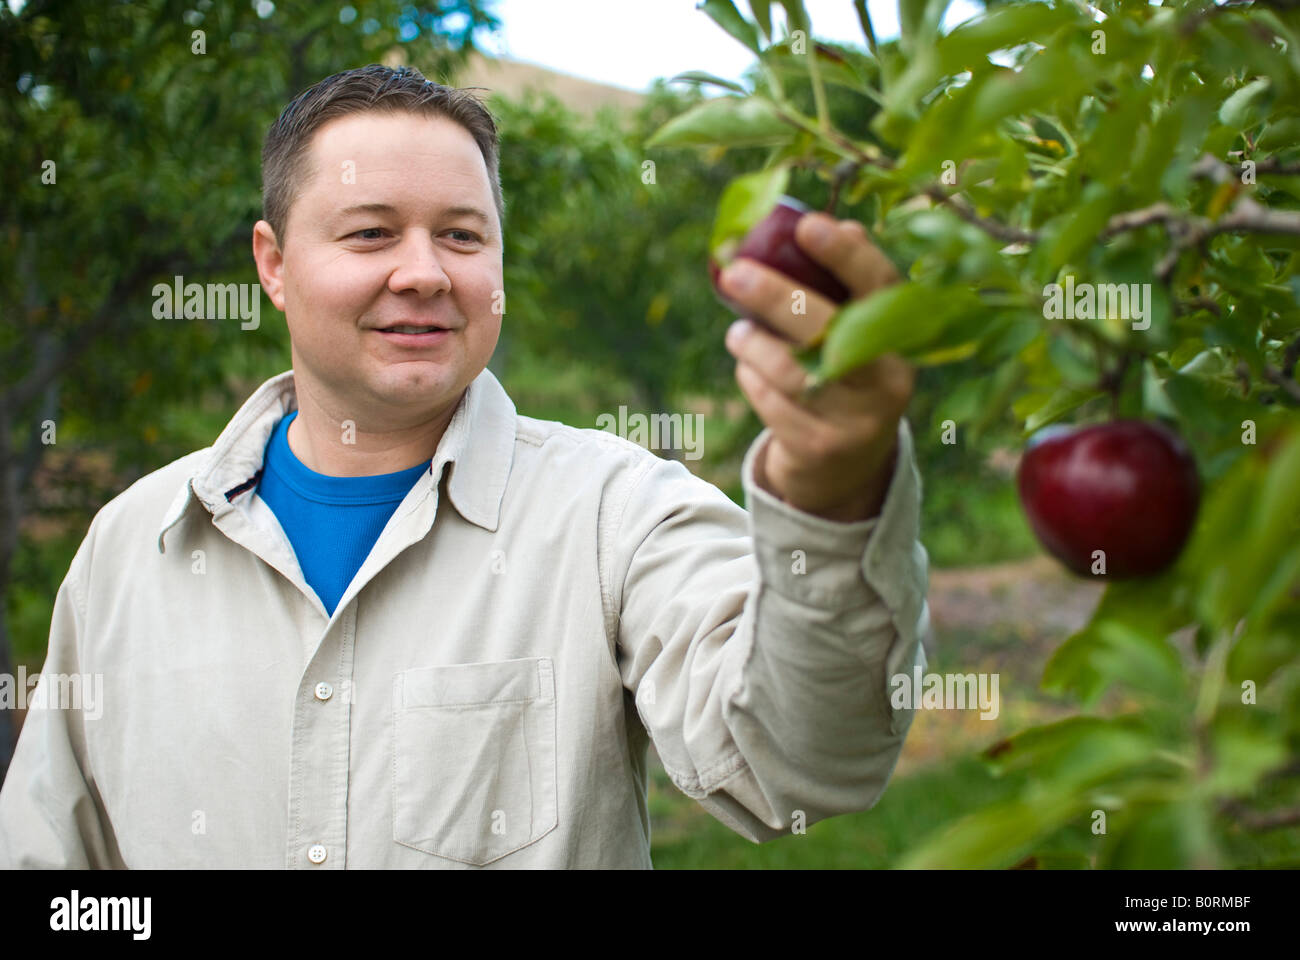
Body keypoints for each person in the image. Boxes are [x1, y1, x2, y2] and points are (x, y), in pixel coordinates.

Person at [0, 64, 930, 869]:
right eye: (370, 234)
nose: (424, 272)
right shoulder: (133, 545)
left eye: (461, 235)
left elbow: (801, 762)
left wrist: (833, 489)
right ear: (273, 264)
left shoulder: (615, 513)